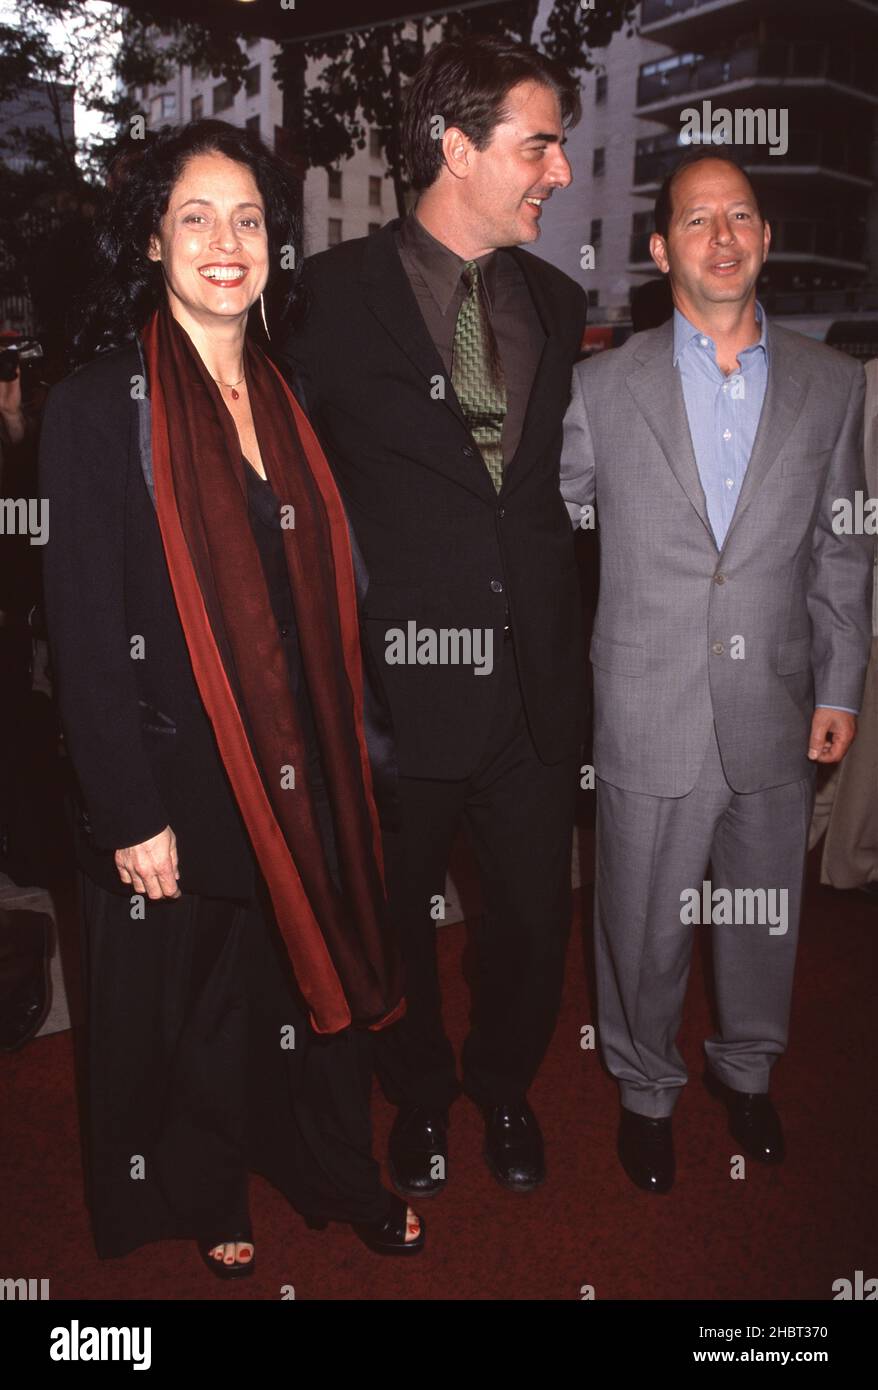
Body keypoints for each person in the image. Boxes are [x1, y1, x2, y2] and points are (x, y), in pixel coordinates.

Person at [38, 119, 424, 1277]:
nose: (224, 241)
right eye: (195, 216)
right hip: (178, 774)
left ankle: (329, 1168)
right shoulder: (99, 405)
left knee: (303, 987)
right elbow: (85, 629)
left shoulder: (293, 393)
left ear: (273, 244)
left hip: (307, 765)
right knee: (194, 1007)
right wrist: (127, 810)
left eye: (248, 219)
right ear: (153, 238)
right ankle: (204, 1190)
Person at [282, 37, 587, 1199]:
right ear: (456, 148)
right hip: (392, 697)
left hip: (532, 693)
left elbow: (540, 493)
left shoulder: (558, 304)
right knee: (395, 928)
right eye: (538, 145)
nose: (556, 173)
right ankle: (413, 1095)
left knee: (527, 926)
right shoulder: (328, 298)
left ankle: (502, 1087)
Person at [560, 151, 871, 1193]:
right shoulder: (599, 388)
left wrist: (838, 685)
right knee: (641, 923)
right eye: (697, 220)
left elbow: (840, 545)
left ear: (764, 238)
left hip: (775, 709)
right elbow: (539, 531)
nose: (723, 236)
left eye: (739, 216)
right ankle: (645, 1087)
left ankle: (745, 1069)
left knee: (758, 913)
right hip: (646, 708)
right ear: (659, 249)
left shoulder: (831, 385)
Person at [809, 355, 878, 894]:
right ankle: (849, 866)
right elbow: (852, 510)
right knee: (863, 757)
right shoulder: (866, 381)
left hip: (858, 598)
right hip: (866, 604)